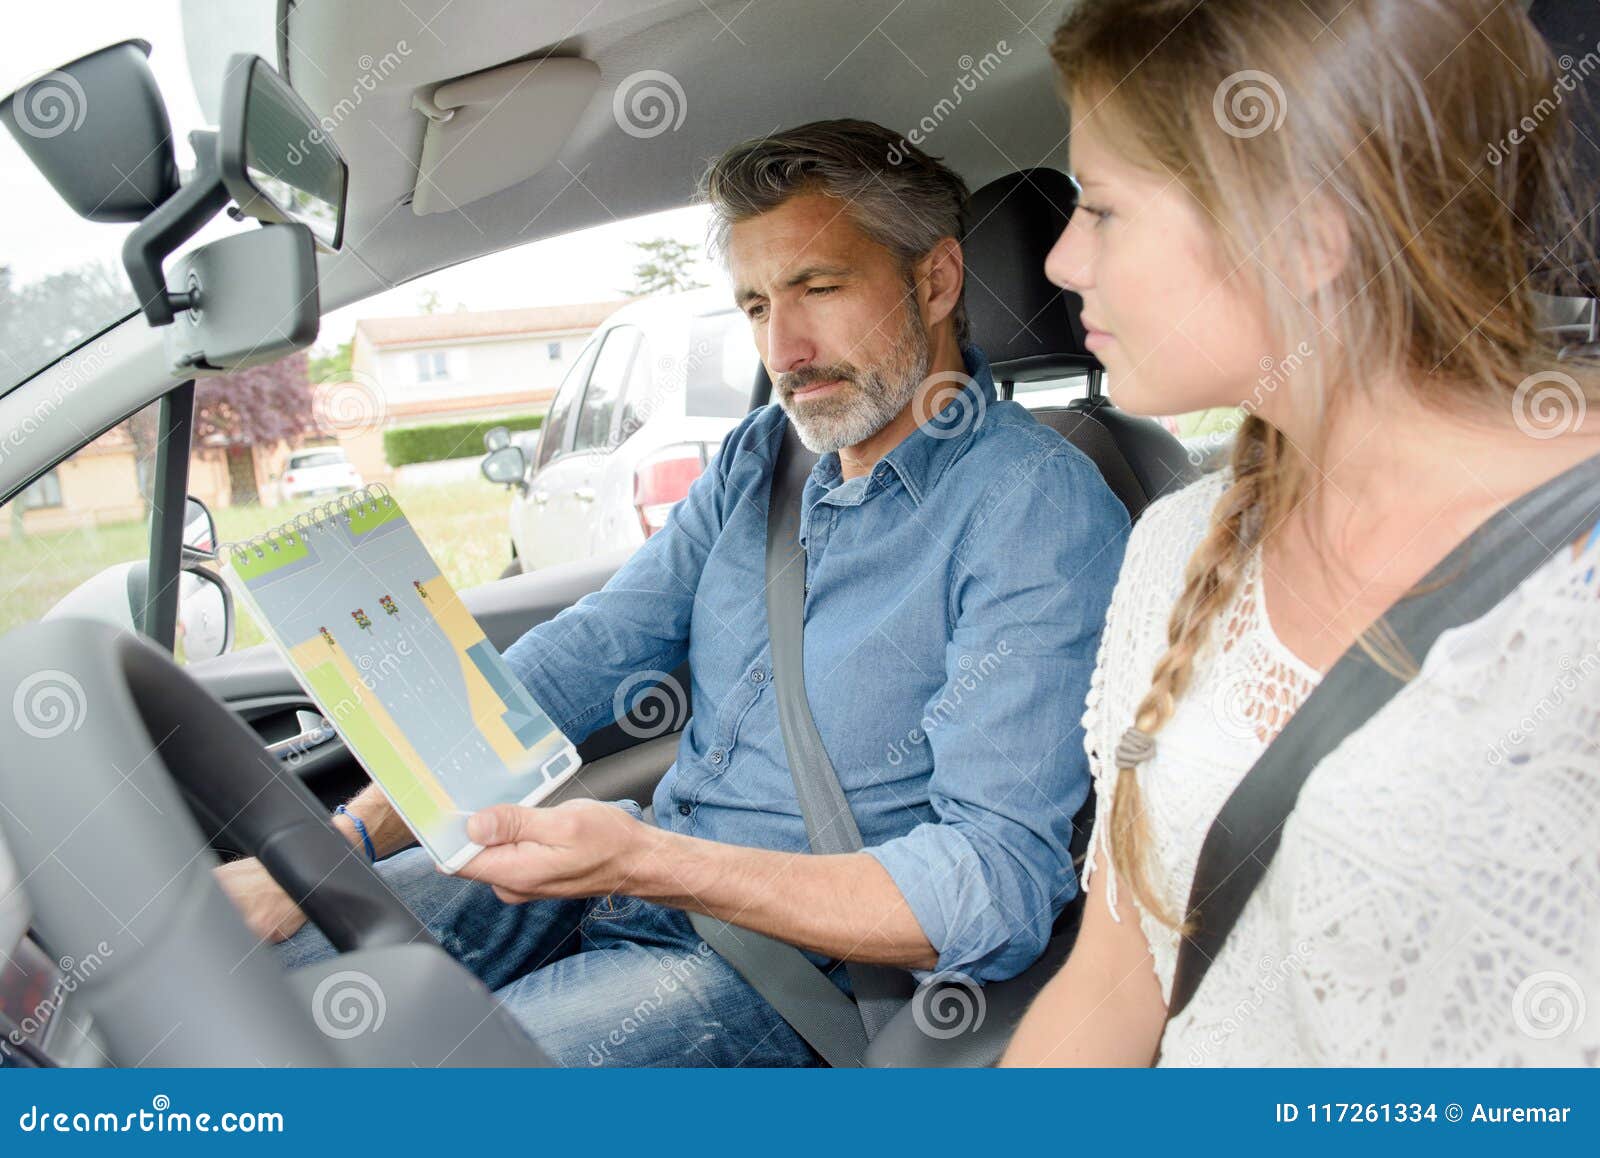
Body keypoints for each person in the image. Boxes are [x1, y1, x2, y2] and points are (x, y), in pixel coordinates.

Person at [219, 119, 1130, 1067]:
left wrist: (656, 863)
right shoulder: (762, 461)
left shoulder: (1036, 511)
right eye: (753, 306)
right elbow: (591, 653)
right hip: (637, 882)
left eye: (818, 288)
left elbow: (996, 879)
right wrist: (338, 849)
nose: (785, 346)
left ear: (936, 281)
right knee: (242, 989)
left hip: (793, 973)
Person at [1005, 0, 1600, 1066]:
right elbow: (1115, 980)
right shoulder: (1179, 546)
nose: (1057, 262)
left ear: (1305, 237)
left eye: (1100, 209)